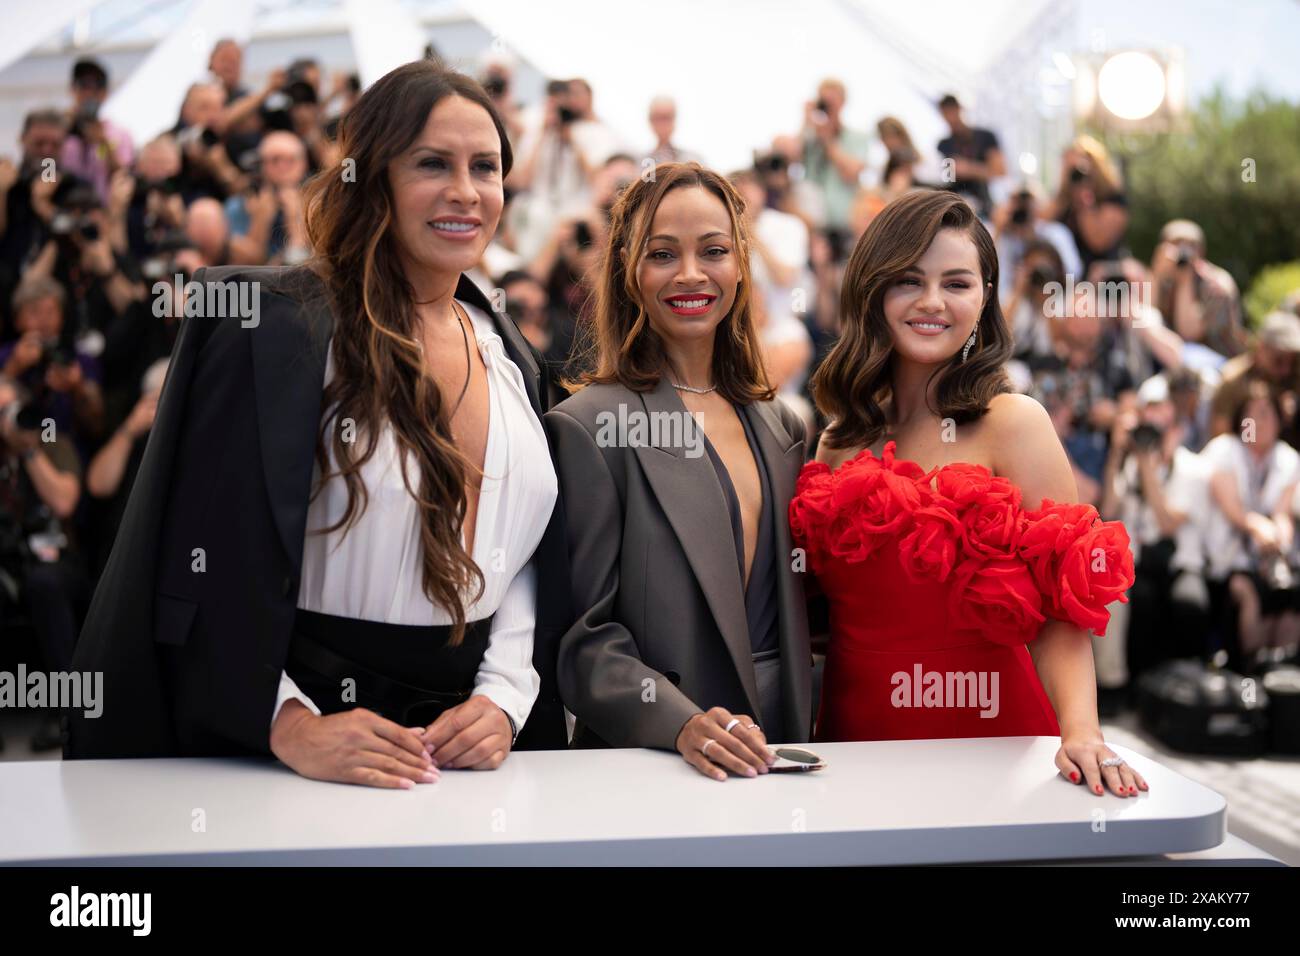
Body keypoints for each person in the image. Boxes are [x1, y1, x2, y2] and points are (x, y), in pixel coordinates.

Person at [66, 60, 571, 784]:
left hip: (471, 765)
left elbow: (525, 555)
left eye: (485, 167)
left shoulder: (510, 350)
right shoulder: (277, 330)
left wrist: (503, 696)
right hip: (296, 761)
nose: (466, 190)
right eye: (432, 163)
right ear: (372, 180)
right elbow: (201, 557)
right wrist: (291, 724)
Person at [792, 189, 1144, 797]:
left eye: (957, 284)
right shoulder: (837, 441)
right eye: (908, 280)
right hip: (854, 749)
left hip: (997, 748)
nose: (932, 302)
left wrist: (1082, 732)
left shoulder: (1016, 423)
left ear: (984, 299)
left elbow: (1064, 609)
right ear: (872, 293)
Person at [547, 162, 811, 780]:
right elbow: (580, 643)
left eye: (713, 250)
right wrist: (681, 724)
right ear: (628, 272)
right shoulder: (588, 426)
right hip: (656, 772)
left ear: (741, 266)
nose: (691, 274)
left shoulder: (784, 427)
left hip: (785, 763)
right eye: (662, 253)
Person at [1151, 219, 1248, 360]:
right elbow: (1147, 315)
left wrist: (1185, 282)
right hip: (1179, 356)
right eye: (1175, 245)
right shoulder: (1167, 279)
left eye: (1191, 245)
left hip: (1219, 359)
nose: (1183, 252)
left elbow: (1188, 334)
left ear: (1201, 251)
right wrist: (1157, 274)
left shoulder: (1216, 286)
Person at [935, 94, 1004, 220]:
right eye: (945, 113)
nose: (949, 117)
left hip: (985, 204)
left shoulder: (986, 137)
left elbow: (1000, 172)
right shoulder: (944, 145)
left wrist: (968, 169)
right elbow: (946, 178)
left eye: (951, 111)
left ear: (959, 109)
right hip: (955, 204)